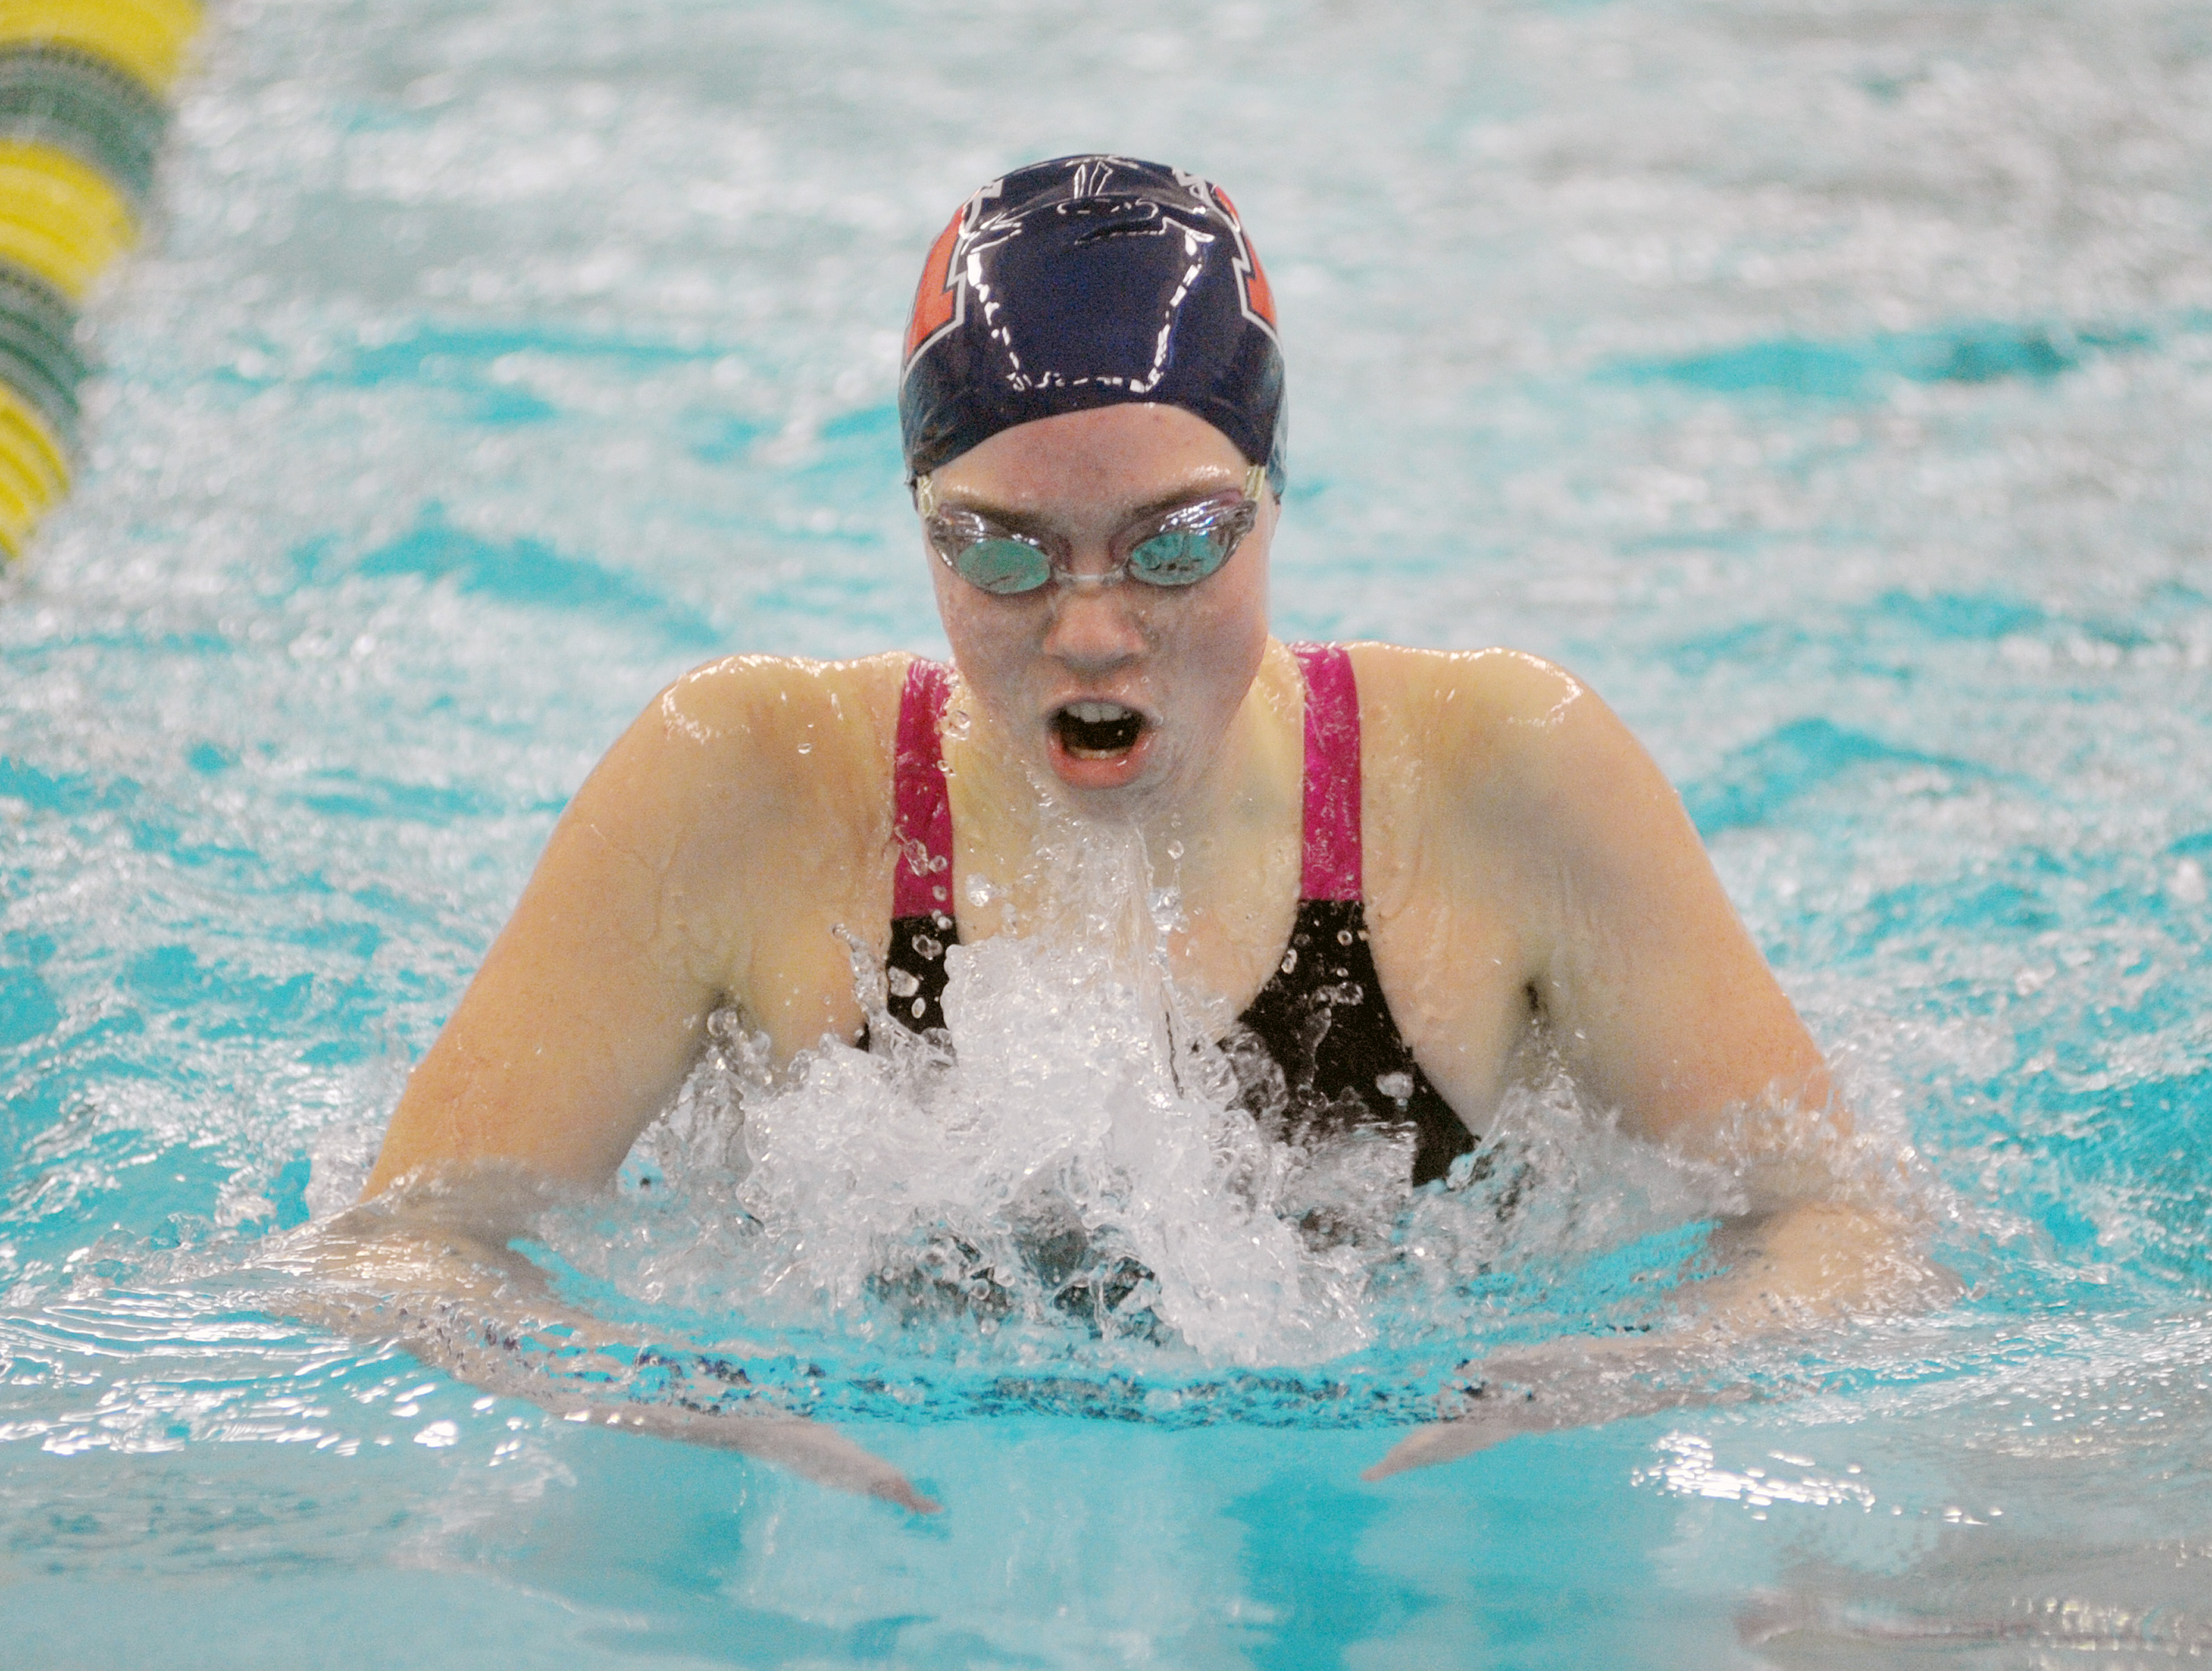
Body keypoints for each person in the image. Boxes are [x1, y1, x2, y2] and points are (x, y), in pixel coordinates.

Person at [334, 154, 1935, 1509]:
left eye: (1171, 545)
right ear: (916, 526)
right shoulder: (733, 788)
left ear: (1270, 494)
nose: (1092, 629)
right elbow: (407, 1250)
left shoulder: (1508, 777)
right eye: (1005, 556)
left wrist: (1599, 1390)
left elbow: (1838, 1219)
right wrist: (680, 1407)